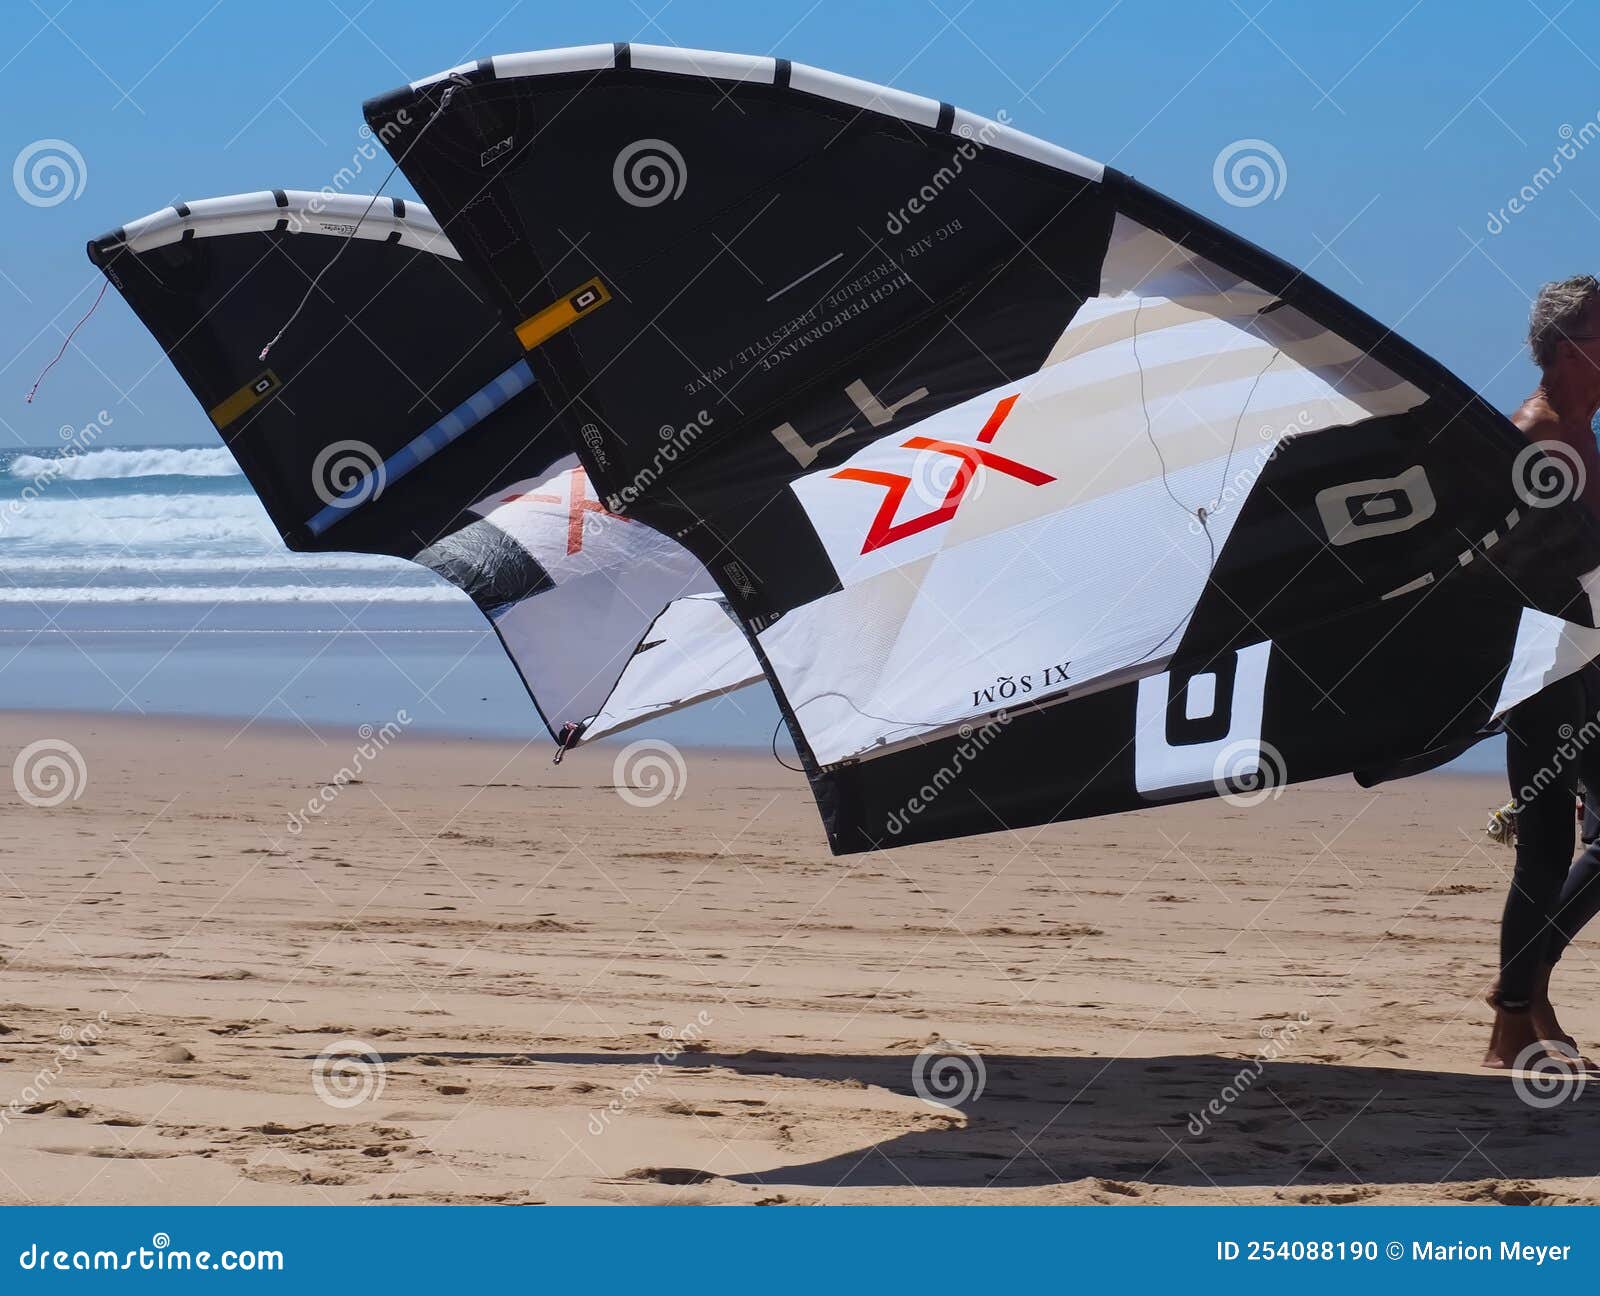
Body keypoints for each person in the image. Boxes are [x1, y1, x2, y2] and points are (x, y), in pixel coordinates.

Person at [1484, 275, 1600, 1069]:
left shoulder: (1582, 435)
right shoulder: (1540, 437)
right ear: (1568, 349)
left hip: (1587, 663)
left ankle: (1517, 1010)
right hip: (1551, 670)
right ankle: (1511, 1012)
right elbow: (1508, 572)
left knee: (1551, 847)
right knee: (1548, 845)